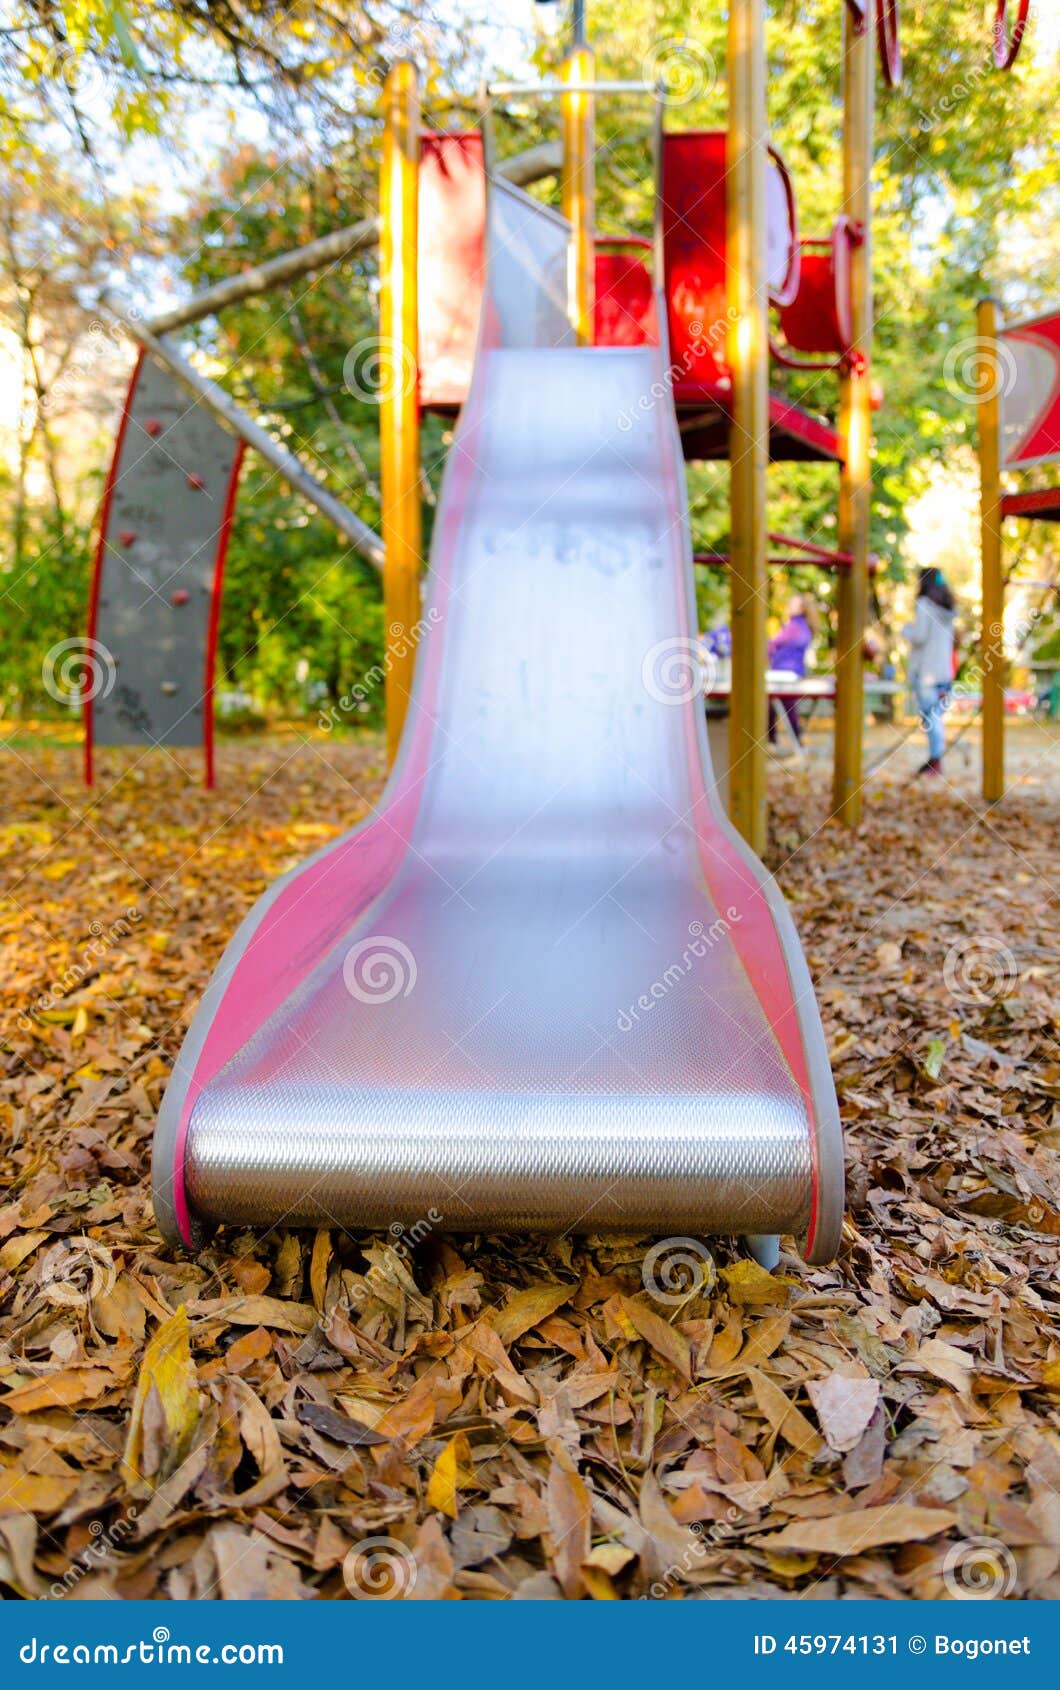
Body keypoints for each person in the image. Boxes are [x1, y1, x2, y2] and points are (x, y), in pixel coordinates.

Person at [903, 566, 956, 776]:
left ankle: (935, 759)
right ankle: (935, 758)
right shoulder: (947, 611)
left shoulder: (924, 605)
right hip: (943, 670)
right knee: (934, 717)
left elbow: (920, 636)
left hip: (926, 671)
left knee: (931, 717)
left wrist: (906, 630)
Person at [768, 593, 817, 749]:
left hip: (785, 674)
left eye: (793, 603)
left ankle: (778, 740)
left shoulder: (794, 627)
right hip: (790, 672)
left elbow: (773, 644)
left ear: (802, 608)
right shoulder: (800, 626)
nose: (789, 605)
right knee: (781, 707)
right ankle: (783, 740)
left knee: (780, 706)